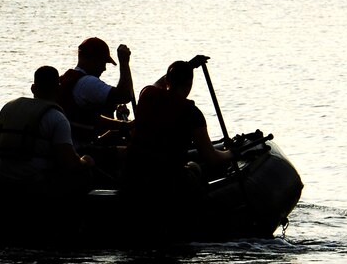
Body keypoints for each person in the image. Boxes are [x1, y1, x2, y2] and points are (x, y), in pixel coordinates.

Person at [125, 56, 233, 193]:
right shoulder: (191, 112)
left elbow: (160, 82)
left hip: (133, 175)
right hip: (167, 182)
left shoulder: (147, 94)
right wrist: (231, 153)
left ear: (168, 80)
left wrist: (190, 65)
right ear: (190, 83)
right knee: (194, 168)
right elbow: (211, 157)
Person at [0, 66, 94, 193]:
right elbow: (70, 163)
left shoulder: (8, 108)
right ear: (59, 89)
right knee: (84, 174)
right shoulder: (57, 118)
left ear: (33, 88)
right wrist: (85, 161)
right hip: (33, 184)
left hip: (1, 180)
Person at [58, 37, 134, 149]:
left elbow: (93, 119)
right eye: (103, 62)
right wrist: (124, 62)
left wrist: (122, 122)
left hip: (76, 144)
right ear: (91, 59)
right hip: (81, 150)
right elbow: (124, 95)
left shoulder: (70, 78)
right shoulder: (87, 83)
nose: (104, 68)